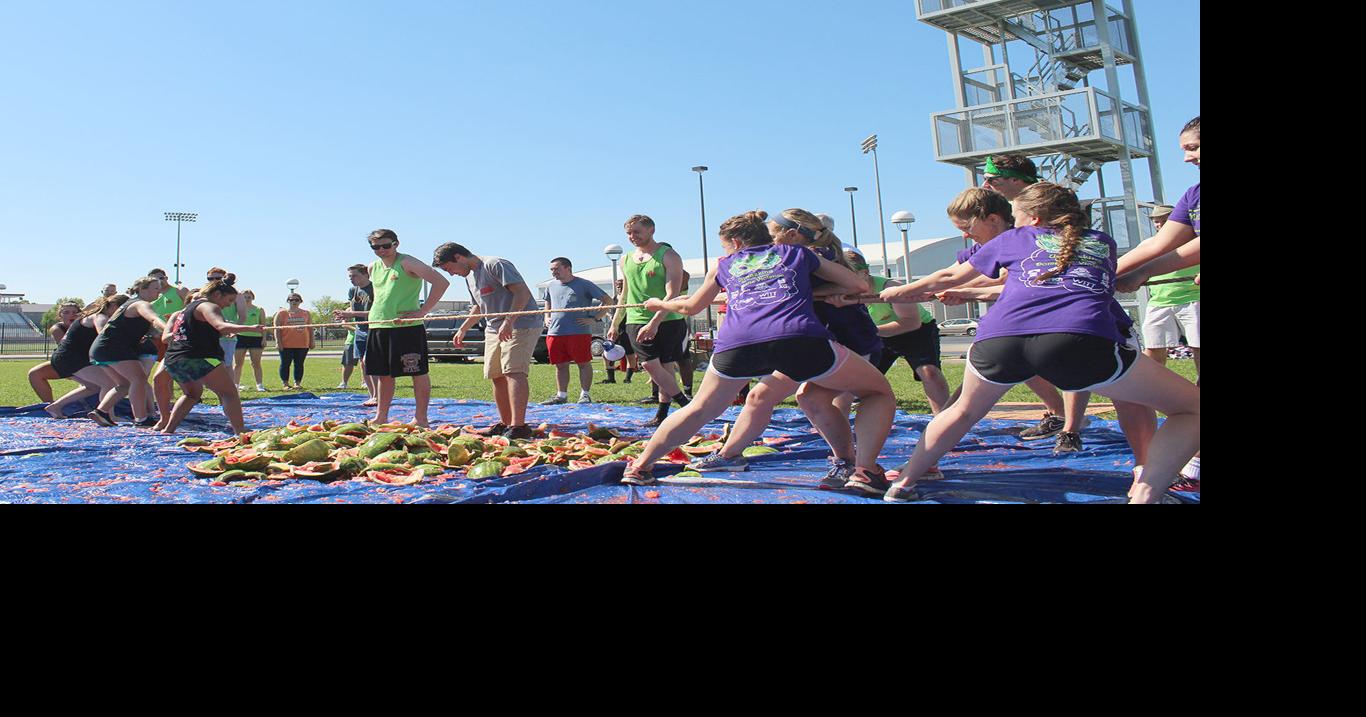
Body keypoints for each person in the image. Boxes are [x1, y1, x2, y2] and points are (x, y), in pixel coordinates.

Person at [877, 182, 1199, 504]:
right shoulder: (1102, 242)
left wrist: (899, 291)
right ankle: (1146, 492)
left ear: (1032, 218)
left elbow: (951, 277)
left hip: (1000, 340)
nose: (1012, 221)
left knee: (961, 411)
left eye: (1015, 215)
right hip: (1079, 342)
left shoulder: (1013, 239)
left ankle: (903, 484)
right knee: (1190, 409)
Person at [620, 210, 895, 487]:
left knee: (699, 408)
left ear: (736, 242)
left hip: (738, 342)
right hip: (796, 338)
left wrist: (659, 304)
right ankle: (862, 470)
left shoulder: (724, 264)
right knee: (877, 392)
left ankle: (640, 467)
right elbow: (858, 284)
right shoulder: (796, 254)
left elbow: (690, 307)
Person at [979, 157, 1092, 449]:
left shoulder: (1049, 203)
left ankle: (1071, 427)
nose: (986, 185)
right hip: (1027, 294)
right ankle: (1059, 414)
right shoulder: (1014, 210)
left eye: (992, 179)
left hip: (1068, 295)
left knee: (1079, 362)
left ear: (1015, 180)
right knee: (1019, 356)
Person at [1115, 115, 1201, 488]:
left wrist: (1143, 274)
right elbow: (1159, 243)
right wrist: (1104, 271)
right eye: (1184, 150)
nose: (1186, 158)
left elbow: (1188, 250)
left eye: (1193, 148)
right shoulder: (1194, 195)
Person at [338, 229, 448, 427]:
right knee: (383, 374)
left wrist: (422, 311)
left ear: (396, 243)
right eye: (376, 247)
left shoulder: (408, 262)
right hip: (378, 326)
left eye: (386, 245)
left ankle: (421, 419)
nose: (381, 250)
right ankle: (381, 417)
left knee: (417, 372)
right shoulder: (372, 267)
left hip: (406, 327)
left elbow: (441, 282)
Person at [433, 242, 539, 438]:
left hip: (521, 323)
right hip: (493, 327)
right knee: (495, 374)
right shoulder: (470, 277)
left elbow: (522, 293)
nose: (451, 274)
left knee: (513, 371)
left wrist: (509, 321)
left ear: (458, 257)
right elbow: (478, 307)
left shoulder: (495, 264)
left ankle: (519, 426)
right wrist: (463, 329)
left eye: (449, 269)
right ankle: (506, 423)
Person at [845, 251, 951, 414]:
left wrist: (870, 332)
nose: (844, 281)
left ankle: (944, 418)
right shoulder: (842, 291)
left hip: (916, 331)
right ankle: (844, 423)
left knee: (929, 372)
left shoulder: (891, 287)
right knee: (857, 377)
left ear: (864, 273)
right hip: (879, 334)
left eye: (849, 275)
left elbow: (911, 322)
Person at [610, 215, 690, 427]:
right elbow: (624, 294)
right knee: (649, 364)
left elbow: (672, 294)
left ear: (651, 230)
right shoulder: (626, 259)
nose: (632, 237)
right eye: (628, 233)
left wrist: (655, 322)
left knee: (665, 366)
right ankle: (686, 405)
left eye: (637, 232)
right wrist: (614, 322)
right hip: (636, 319)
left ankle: (662, 414)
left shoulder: (669, 255)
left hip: (669, 319)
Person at [158, 280, 260, 435]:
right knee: (229, 393)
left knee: (191, 394)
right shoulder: (209, 306)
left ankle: (168, 429)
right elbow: (221, 326)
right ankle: (240, 430)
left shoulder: (186, 310)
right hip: (197, 357)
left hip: (174, 359)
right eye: (229, 300)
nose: (228, 305)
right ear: (217, 294)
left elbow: (199, 331)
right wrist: (249, 328)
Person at [87, 277, 168, 427]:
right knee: (139, 380)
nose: (160, 291)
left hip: (101, 349)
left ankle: (101, 412)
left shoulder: (129, 304)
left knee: (124, 384)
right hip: (114, 348)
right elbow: (154, 319)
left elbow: (154, 331)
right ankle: (142, 419)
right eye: (156, 288)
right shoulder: (141, 304)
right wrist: (172, 330)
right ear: (142, 289)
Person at [1136, 206, 1200, 376]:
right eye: (1157, 220)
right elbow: (1132, 268)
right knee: (1153, 349)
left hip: (1193, 300)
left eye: (1165, 219)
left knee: (1199, 347)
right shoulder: (1148, 245)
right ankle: (1153, 391)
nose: (1160, 224)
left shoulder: (1194, 242)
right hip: (1159, 303)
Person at [541, 256, 611, 405]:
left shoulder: (584, 284)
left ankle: (584, 395)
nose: (554, 272)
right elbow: (547, 301)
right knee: (560, 365)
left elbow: (608, 300)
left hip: (578, 332)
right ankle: (561, 395)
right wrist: (546, 317)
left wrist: (594, 318)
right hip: (555, 332)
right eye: (552, 270)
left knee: (583, 363)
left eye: (557, 269)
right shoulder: (551, 285)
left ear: (568, 268)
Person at [43, 295, 126, 419]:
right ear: (114, 307)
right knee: (110, 383)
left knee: (94, 387)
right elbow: (103, 334)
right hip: (71, 358)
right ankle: (108, 415)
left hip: (66, 358)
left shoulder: (95, 316)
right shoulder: (100, 316)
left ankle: (55, 407)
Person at [337, 264, 379, 405]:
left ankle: (378, 396)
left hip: (374, 329)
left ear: (366, 275)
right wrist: (344, 316)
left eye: (355, 275)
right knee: (363, 364)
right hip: (359, 330)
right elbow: (352, 311)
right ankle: (372, 395)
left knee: (370, 362)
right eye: (350, 276)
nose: (351, 279)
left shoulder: (375, 289)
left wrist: (351, 314)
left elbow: (376, 313)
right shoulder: (352, 290)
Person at [28, 301, 80, 403]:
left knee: (92, 385)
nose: (71, 315)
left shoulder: (87, 324)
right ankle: (50, 405)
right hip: (67, 362)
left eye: (74, 312)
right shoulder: (57, 329)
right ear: (60, 316)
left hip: (86, 364)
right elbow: (67, 348)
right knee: (34, 374)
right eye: (66, 312)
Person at [204, 267, 249, 374]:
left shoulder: (236, 295)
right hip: (207, 335)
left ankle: (230, 389)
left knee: (226, 365)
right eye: (210, 278)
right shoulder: (204, 294)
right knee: (206, 364)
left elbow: (242, 316)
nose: (214, 281)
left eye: (218, 278)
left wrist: (234, 330)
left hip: (226, 336)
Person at [599, 279, 638, 384]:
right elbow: (609, 310)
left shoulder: (630, 298)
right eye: (618, 286)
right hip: (614, 329)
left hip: (628, 329)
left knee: (630, 354)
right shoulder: (615, 298)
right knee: (606, 353)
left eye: (621, 285)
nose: (619, 288)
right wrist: (609, 316)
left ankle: (628, 378)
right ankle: (611, 378)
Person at [274, 293, 313, 390]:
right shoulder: (281, 313)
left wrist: (312, 341)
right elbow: (276, 329)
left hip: (302, 344)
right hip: (286, 344)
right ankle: (285, 384)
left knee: (299, 364)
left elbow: (310, 328)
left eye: (296, 300)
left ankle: (297, 383)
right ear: (288, 301)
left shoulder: (306, 313)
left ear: (300, 301)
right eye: (291, 300)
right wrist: (278, 342)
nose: (294, 302)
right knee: (285, 363)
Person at [232, 289, 267, 392]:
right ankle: (235, 385)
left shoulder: (259, 309)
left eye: (249, 297)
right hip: (240, 337)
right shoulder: (236, 309)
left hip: (255, 338)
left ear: (253, 298)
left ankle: (259, 385)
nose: (247, 299)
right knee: (238, 363)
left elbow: (263, 326)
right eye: (244, 297)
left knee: (256, 363)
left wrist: (264, 339)